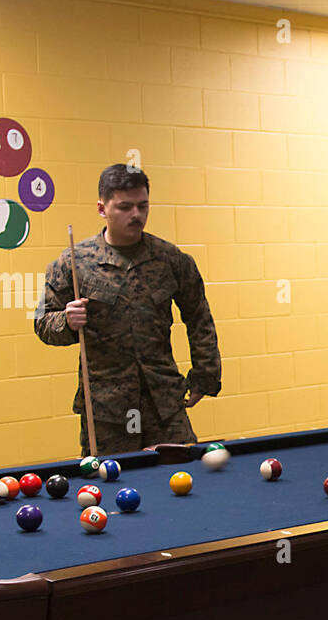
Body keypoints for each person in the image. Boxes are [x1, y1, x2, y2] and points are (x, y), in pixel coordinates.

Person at [35, 164, 222, 456]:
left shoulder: (171, 259)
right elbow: (43, 324)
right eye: (125, 207)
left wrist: (205, 376)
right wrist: (66, 321)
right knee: (111, 486)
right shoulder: (75, 262)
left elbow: (199, 319)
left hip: (164, 402)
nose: (136, 215)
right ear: (102, 208)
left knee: (183, 480)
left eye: (142, 206)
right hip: (107, 409)